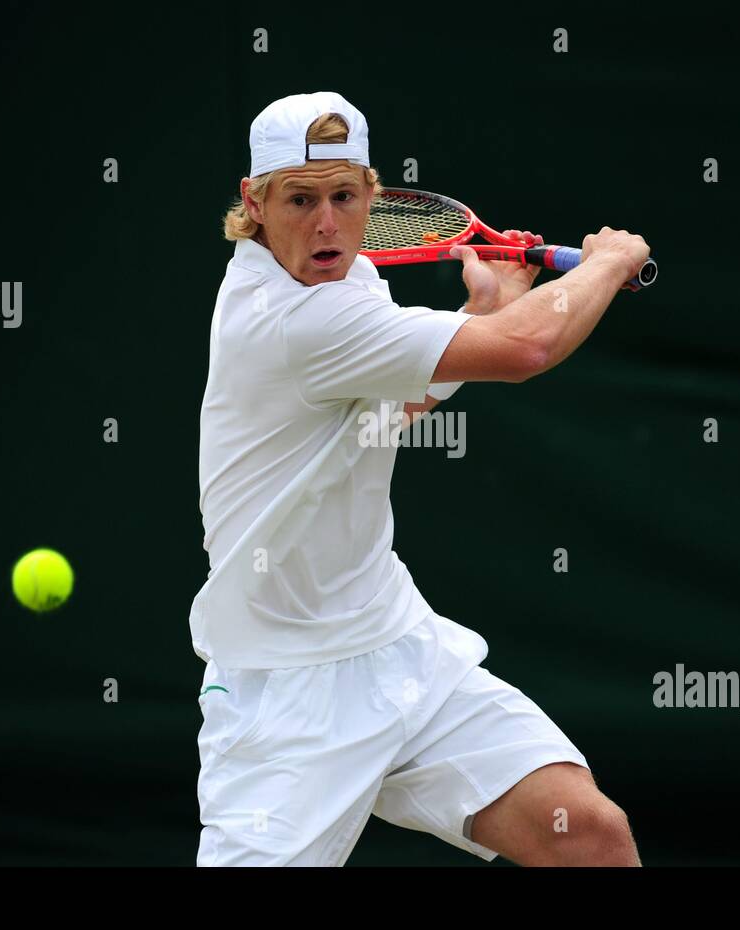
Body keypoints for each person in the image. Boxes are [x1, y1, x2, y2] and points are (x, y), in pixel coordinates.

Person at [192, 91, 651, 866]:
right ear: (255, 203)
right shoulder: (288, 318)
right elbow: (526, 351)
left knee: (590, 836)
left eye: (344, 196)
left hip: (400, 648)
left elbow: (366, 420)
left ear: (374, 193)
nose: (327, 224)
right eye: (301, 201)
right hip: (287, 700)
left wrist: (482, 314)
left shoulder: (350, 281)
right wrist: (605, 264)